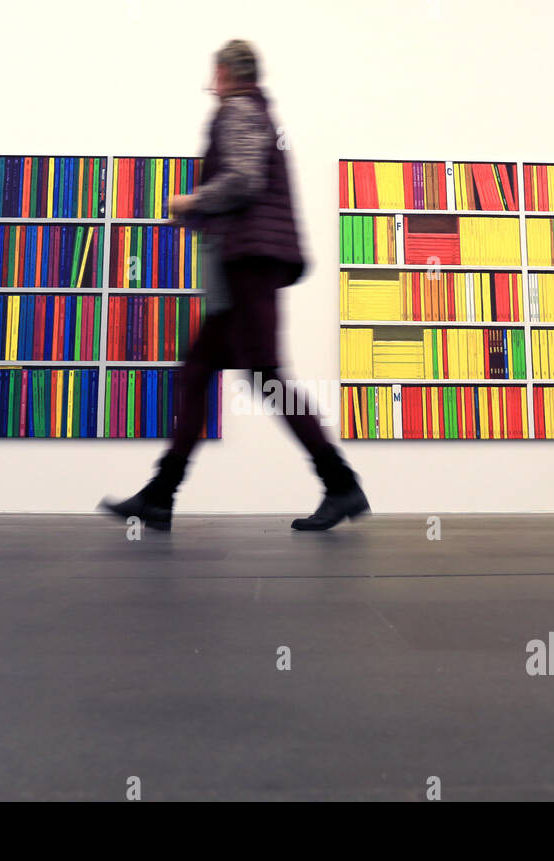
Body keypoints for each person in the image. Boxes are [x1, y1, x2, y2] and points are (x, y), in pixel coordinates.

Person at [100, 39, 369, 532]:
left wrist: (189, 201)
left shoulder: (238, 110)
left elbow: (243, 179)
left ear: (225, 72)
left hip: (248, 260)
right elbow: (248, 183)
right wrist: (202, 210)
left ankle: (341, 484)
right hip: (246, 259)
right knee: (201, 369)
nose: (212, 82)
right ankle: (161, 495)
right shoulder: (258, 113)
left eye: (213, 73)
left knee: (264, 374)